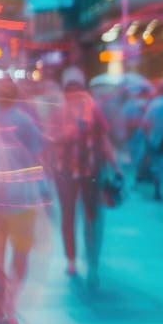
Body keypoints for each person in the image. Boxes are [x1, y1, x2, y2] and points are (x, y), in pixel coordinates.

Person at [0, 76, 46, 324]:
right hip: (18, 198)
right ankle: (8, 305)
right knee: (18, 255)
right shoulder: (23, 121)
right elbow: (38, 156)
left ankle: (3, 306)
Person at [49, 80, 120, 289]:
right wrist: (66, 134)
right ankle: (71, 260)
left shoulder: (94, 113)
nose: (74, 98)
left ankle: (92, 263)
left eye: (78, 94)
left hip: (91, 171)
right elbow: (49, 140)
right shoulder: (58, 114)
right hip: (65, 172)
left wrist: (115, 166)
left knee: (92, 216)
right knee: (68, 216)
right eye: (70, 95)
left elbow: (104, 140)